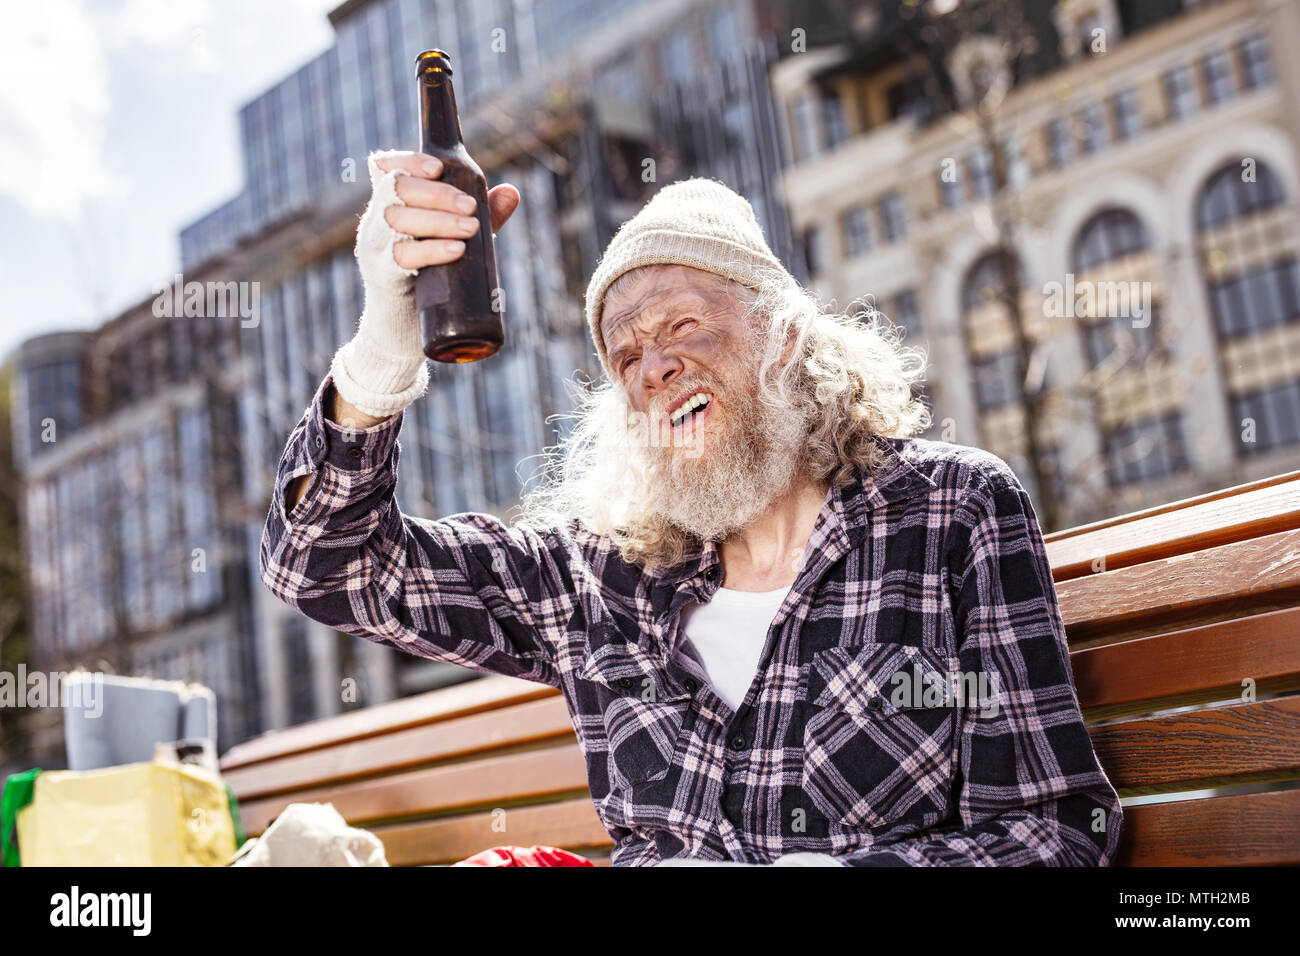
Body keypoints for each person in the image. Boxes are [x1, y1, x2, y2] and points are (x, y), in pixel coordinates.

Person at [260, 149, 1123, 866]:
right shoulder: (595, 574)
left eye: (682, 327)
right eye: (626, 355)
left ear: (784, 336)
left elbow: (1055, 834)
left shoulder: (952, 513)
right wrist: (381, 348)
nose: (653, 368)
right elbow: (324, 567)